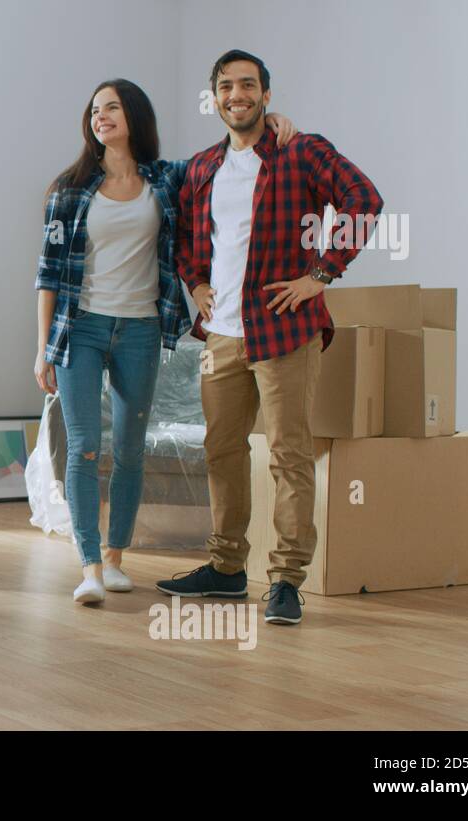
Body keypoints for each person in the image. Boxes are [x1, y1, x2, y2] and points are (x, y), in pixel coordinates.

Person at [34, 77, 298, 604]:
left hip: (140, 329)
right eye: (94, 111)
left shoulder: (168, 178)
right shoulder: (68, 190)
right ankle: (88, 566)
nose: (99, 116)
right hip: (79, 329)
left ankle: (114, 559)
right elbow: (47, 273)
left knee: (129, 450)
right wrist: (42, 347)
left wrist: (270, 124)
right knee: (86, 447)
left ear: (134, 115)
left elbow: (225, 157)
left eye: (111, 108)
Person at [159, 50, 383, 624]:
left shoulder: (301, 150)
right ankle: (228, 569)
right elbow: (185, 235)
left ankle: (285, 580)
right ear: (214, 97)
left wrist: (321, 275)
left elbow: (365, 201)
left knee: (288, 454)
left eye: (248, 85)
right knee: (222, 451)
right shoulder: (202, 166)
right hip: (222, 337)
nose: (238, 95)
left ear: (266, 94)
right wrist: (197, 282)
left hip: (285, 331)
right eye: (227, 86)